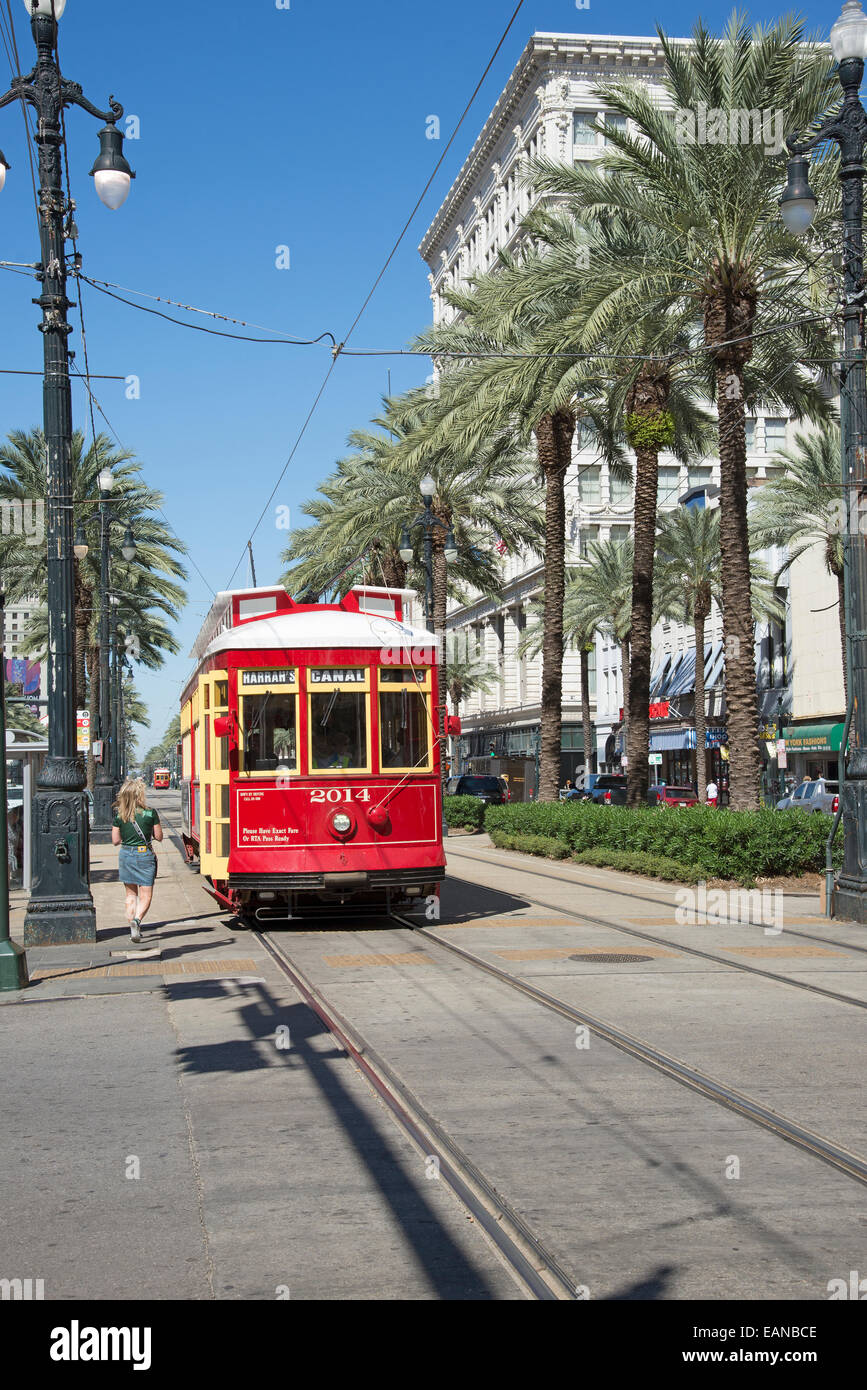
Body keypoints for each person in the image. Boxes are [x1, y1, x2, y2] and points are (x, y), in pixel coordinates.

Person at [112, 777, 163, 943]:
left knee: (130, 894)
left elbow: (115, 840)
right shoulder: (150, 813)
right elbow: (159, 837)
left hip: (126, 854)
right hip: (144, 855)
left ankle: (132, 929)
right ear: (139, 794)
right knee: (146, 894)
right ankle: (137, 920)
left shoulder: (120, 815)